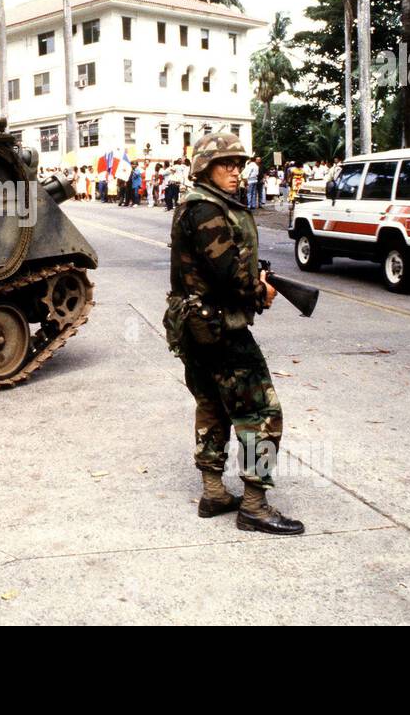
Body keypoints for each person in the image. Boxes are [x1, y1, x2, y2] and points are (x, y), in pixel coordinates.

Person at [164, 132, 302, 535]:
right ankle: (255, 506)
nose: (236, 171)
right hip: (221, 327)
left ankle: (214, 492)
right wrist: (261, 290)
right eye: (227, 164)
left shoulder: (197, 205)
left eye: (239, 165)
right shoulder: (207, 209)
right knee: (261, 413)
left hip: (195, 325)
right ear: (205, 167)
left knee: (212, 405)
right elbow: (227, 275)